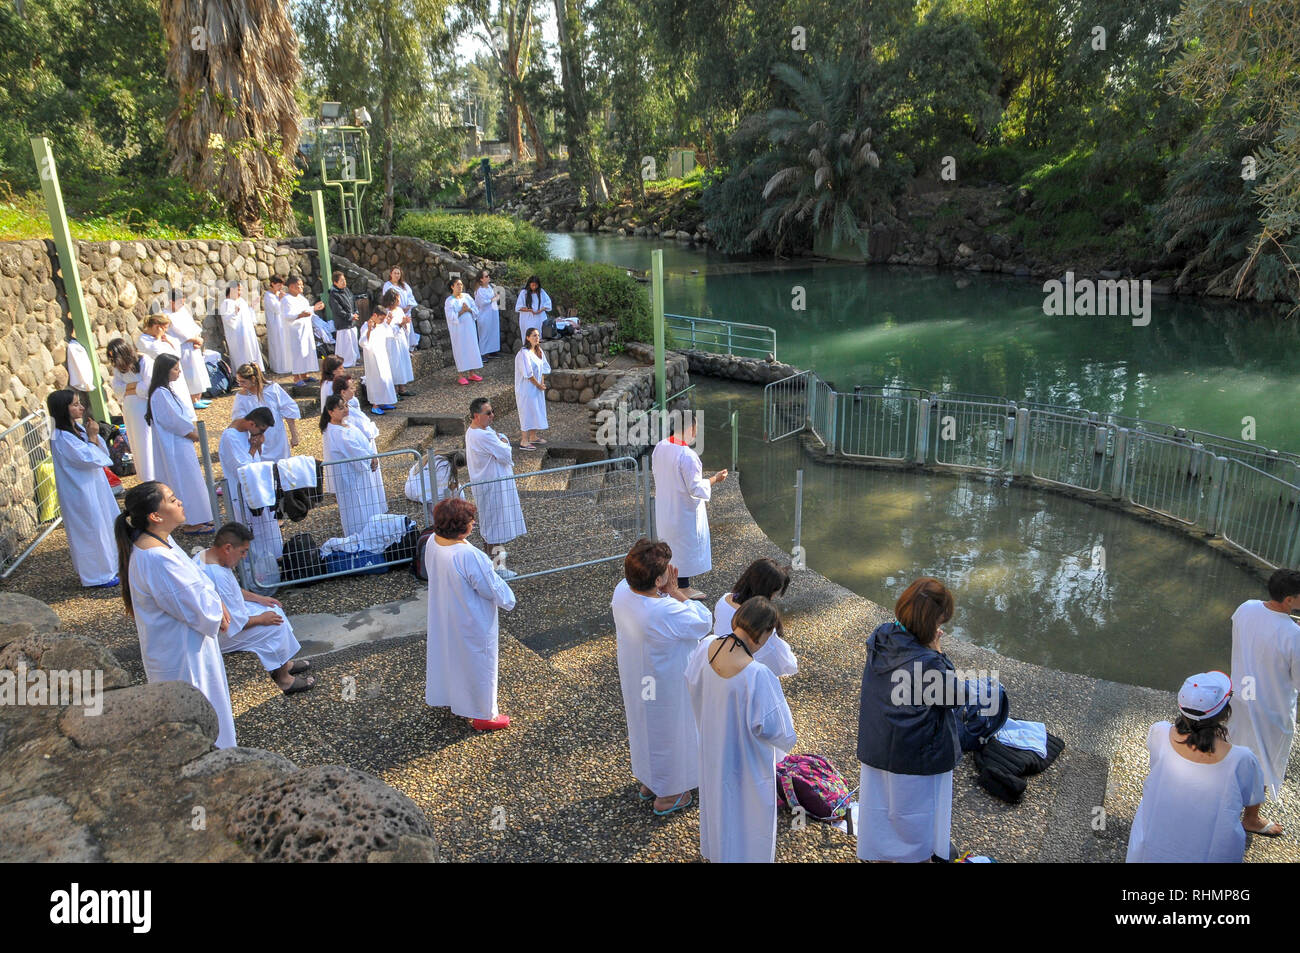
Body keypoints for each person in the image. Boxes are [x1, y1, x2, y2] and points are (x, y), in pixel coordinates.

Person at [114, 481, 235, 748]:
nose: (179, 501)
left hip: (185, 646)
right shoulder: (157, 558)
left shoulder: (161, 541)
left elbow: (197, 582)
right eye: (171, 499)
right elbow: (200, 609)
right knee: (198, 718)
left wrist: (216, 601)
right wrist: (217, 607)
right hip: (183, 655)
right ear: (155, 516)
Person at [856, 577, 961, 863]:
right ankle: (917, 854)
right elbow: (953, 697)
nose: (942, 626)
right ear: (930, 622)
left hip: (878, 741)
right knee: (916, 812)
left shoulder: (882, 636)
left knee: (882, 805)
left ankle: (880, 851)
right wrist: (938, 652)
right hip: (915, 752)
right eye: (941, 620)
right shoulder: (929, 662)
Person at [687, 597, 798, 862]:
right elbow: (782, 734)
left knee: (718, 808)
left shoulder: (706, 647)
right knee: (746, 819)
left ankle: (717, 854)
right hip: (746, 763)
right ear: (763, 634)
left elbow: (691, 680)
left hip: (713, 748)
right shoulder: (757, 675)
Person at [612, 537, 713, 815]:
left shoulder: (622, 591)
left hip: (638, 677)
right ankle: (668, 794)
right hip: (666, 682)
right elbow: (703, 621)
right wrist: (677, 591)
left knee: (643, 726)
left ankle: (650, 781)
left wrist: (663, 590)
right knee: (671, 731)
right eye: (666, 569)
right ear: (658, 580)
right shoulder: (664, 609)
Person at [1127, 671, 1274, 862]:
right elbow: (1250, 797)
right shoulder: (1242, 759)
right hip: (1210, 853)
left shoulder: (1160, 732)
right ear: (1225, 713)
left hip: (1149, 849)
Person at [425, 497, 516, 730]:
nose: (473, 524)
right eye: (470, 521)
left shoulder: (432, 542)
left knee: (449, 656)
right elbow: (489, 586)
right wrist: (508, 600)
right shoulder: (468, 555)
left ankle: (451, 697)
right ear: (461, 527)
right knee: (479, 662)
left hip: (445, 610)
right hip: (471, 616)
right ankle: (484, 713)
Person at [195, 522, 314, 695]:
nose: (244, 556)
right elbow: (236, 623)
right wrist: (262, 619)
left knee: (273, 608)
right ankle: (284, 680)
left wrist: (260, 599)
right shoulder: (218, 575)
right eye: (242, 551)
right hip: (220, 634)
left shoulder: (204, 554)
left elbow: (234, 591)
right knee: (275, 624)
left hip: (223, 621)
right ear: (228, 548)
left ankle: (283, 662)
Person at [1229, 569, 1300, 807]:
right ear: (1289, 599)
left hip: (1241, 697)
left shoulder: (1246, 608)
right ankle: (1252, 817)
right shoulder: (1293, 634)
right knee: (1263, 762)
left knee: (1236, 753)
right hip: (1272, 708)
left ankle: (1227, 802)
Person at [46, 389, 120, 588]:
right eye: (75, 404)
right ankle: (97, 575)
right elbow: (89, 458)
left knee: (103, 524)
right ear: (63, 410)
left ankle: (110, 565)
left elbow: (100, 455)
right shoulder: (62, 437)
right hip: (80, 492)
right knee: (91, 530)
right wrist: (93, 437)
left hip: (94, 487)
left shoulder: (75, 429)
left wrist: (92, 437)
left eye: (80, 403)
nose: (81, 407)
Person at [651, 415, 726, 600]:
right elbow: (695, 488)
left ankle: (669, 581)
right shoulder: (688, 455)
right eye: (696, 427)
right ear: (691, 428)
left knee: (669, 545)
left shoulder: (660, 447)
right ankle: (683, 588)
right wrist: (715, 479)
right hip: (682, 511)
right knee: (683, 549)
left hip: (665, 504)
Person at [145, 354, 214, 534]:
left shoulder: (166, 390)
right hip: (175, 444)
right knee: (185, 481)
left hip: (180, 442)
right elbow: (172, 420)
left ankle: (199, 517)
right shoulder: (160, 393)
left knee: (191, 479)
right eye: (175, 368)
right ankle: (191, 521)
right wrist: (192, 433)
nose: (179, 372)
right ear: (165, 370)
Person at [217, 408, 282, 577]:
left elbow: (256, 461)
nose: (261, 434)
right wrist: (254, 448)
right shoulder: (231, 437)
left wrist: (257, 446)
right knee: (252, 531)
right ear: (252, 423)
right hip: (242, 493)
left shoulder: (247, 432)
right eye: (261, 430)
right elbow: (242, 468)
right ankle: (257, 571)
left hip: (258, 490)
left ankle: (272, 565)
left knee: (267, 529)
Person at [464, 397, 525, 575]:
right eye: (488, 413)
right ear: (476, 415)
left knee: (489, 526)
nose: (492, 415)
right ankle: (498, 568)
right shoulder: (483, 435)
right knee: (495, 527)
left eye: (492, 411)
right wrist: (504, 441)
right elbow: (505, 452)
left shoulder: (476, 431)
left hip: (486, 484)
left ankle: (491, 566)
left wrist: (501, 440)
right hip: (492, 487)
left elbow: (499, 442)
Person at [713, 558, 798, 677]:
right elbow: (779, 663)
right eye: (775, 593)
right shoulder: (760, 621)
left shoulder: (724, 599)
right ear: (768, 592)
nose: (774, 598)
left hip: (719, 657)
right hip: (745, 674)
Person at [320, 395, 387, 536]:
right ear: (331, 412)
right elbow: (352, 450)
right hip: (350, 478)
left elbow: (362, 442)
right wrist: (370, 459)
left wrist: (371, 455)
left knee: (368, 505)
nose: (345, 409)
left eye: (345, 406)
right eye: (341, 408)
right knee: (357, 509)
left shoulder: (346, 424)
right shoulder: (335, 432)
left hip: (362, 473)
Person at [106, 337, 155, 482]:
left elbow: (148, 386)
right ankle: (144, 476)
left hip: (143, 406)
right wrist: (134, 385)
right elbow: (117, 389)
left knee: (146, 439)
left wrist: (130, 388)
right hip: (129, 408)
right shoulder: (118, 368)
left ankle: (152, 475)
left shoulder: (144, 361)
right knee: (135, 441)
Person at [231, 363, 300, 464]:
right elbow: (238, 420)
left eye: (243, 382)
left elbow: (288, 410)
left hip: (277, 438)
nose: (240, 385)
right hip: (256, 440)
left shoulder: (273, 389)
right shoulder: (241, 397)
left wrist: (294, 435)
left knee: (282, 467)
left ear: (253, 379)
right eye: (238, 381)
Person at [163, 288, 212, 408]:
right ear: (172, 301)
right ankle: (192, 400)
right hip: (183, 347)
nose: (182, 304)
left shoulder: (182, 310)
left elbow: (192, 325)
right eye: (180, 302)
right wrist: (193, 339)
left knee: (198, 371)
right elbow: (179, 332)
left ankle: (198, 396)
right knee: (190, 374)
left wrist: (197, 338)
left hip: (193, 345)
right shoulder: (167, 315)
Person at [137, 312, 192, 407]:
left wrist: (169, 342)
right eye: (164, 328)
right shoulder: (143, 339)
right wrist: (158, 338)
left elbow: (177, 354)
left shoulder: (165, 338)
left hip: (176, 373)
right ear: (156, 326)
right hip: (163, 375)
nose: (165, 331)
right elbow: (158, 353)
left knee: (182, 399)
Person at [280, 274, 324, 385]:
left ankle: (305, 375)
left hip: (305, 329)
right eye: (299, 285)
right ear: (291, 286)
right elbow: (287, 315)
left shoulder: (302, 298)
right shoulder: (286, 300)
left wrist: (314, 308)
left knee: (307, 350)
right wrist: (300, 315)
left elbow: (306, 310)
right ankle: (296, 377)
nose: (301, 287)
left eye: (302, 285)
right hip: (294, 331)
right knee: (297, 353)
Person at [513, 327, 550, 450]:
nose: (536, 338)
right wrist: (538, 385)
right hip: (526, 389)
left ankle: (533, 436)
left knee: (535, 411)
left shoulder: (538, 351)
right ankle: (524, 440)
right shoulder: (524, 353)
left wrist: (542, 384)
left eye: (538, 335)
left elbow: (544, 368)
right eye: (534, 335)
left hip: (537, 388)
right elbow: (528, 373)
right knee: (526, 413)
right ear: (528, 337)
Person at [443, 277, 484, 387]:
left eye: (461, 284)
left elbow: (475, 309)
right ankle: (461, 375)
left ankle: (472, 373)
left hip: (470, 327)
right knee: (461, 350)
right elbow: (450, 317)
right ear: (452, 287)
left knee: (471, 348)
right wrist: (461, 311)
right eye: (457, 285)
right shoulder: (449, 301)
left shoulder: (467, 297)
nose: (460, 286)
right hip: (458, 330)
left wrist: (469, 309)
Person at [360, 305, 398, 414]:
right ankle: (375, 404)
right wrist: (369, 330)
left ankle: (383, 401)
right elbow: (363, 342)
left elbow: (390, 334)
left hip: (382, 354)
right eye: (381, 319)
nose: (382, 321)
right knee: (376, 379)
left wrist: (388, 322)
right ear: (374, 315)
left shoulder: (382, 325)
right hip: (372, 357)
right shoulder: (365, 326)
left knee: (385, 378)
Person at [219, 281, 264, 371]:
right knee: (241, 356)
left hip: (248, 334)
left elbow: (246, 316)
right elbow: (228, 320)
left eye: (241, 290)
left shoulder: (241, 301)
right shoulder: (226, 303)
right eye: (239, 290)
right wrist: (234, 313)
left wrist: (251, 307)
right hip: (237, 336)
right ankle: (242, 375)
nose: (240, 293)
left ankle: (255, 373)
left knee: (251, 353)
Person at [379, 289, 414, 398]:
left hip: (401, 339)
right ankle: (394, 390)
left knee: (402, 362)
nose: (400, 300)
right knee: (395, 364)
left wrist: (405, 323)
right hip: (392, 342)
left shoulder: (399, 310)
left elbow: (403, 324)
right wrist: (400, 324)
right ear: (393, 300)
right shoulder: (386, 313)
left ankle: (402, 388)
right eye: (398, 298)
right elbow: (387, 329)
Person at [381, 266, 420, 350]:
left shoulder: (404, 285)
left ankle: (408, 347)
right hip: (394, 311)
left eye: (398, 273)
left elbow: (410, 297)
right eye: (395, 273)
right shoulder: (387, 285)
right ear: (391, 274)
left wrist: (408, 306)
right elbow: (387, 298)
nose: (397, 275)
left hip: (406, 311)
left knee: (407, 330)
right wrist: (397, 308)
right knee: (397, 329)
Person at [328, 271, 361, 368]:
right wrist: (350, 316)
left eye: (344, 280)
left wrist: (356, 313)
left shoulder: (346, 290)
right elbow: (338, 310)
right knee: (346, 345)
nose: (344, 282)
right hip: (343, 324)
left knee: (353, 343)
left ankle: (354, 360)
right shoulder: (333, 295)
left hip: (352, 323)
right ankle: (345, 362)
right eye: (341, 281)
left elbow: (353, 301)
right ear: (335, 283)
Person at [262, 275, 289, 375]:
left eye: (281, 285)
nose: (280, 287)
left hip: (282, 323)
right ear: (272, 284)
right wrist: (281, 299)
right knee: (277, 344)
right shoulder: (268, 296)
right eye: (278, 285)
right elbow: (277, 309)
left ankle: (287, 365)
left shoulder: (279, 294)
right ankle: (278, 367)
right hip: (274, 324)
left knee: (284, 344)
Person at [473, 269, 501, 359]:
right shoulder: (479, 290)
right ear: (481, 279)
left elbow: (493, 297)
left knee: (493, 332)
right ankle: (483, 353)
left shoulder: (489, 287)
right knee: (484, 334)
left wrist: (494, 298)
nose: (488, 277)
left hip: (492, 314)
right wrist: (494, 299)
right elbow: (482, 302)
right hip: (484, 315)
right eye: (486, 276)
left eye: (488, 276)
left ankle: (492, 351)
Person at [514, 275, 551, 341]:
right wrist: (529, 310)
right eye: (532, 285)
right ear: (529, 284)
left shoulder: (541, 292)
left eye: (535, 285)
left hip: (539, 318)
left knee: (539, 337)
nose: (534, 287)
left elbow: (548, 304)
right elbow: (518, 307)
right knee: (530, 336)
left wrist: (540, 310)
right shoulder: (523, 293)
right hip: (527, 319)